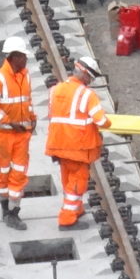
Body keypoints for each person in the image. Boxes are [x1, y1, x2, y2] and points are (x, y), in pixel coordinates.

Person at [45, 57, 112, 231]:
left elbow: (54, 116)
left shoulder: (55, 90)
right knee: (78, 182)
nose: (90, 81)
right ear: (83, 73)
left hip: (58, 144)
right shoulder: (87, 95)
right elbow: (101, 120)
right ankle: (67, 219)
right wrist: (110, 123)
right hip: (77, 147)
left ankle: (76, 209)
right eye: (90, 77)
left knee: (68, 178)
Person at [0, 36, 36, 231]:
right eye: (22, 56)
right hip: (4, 135)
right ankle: (7, 211)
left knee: (19, 173)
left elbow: (26, 100)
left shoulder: (25, 75)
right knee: (3, 173)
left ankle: (14, 212)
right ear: (13, 57)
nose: (26, 59)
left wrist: (32, 116)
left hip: (22, 135)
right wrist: (9, 122)